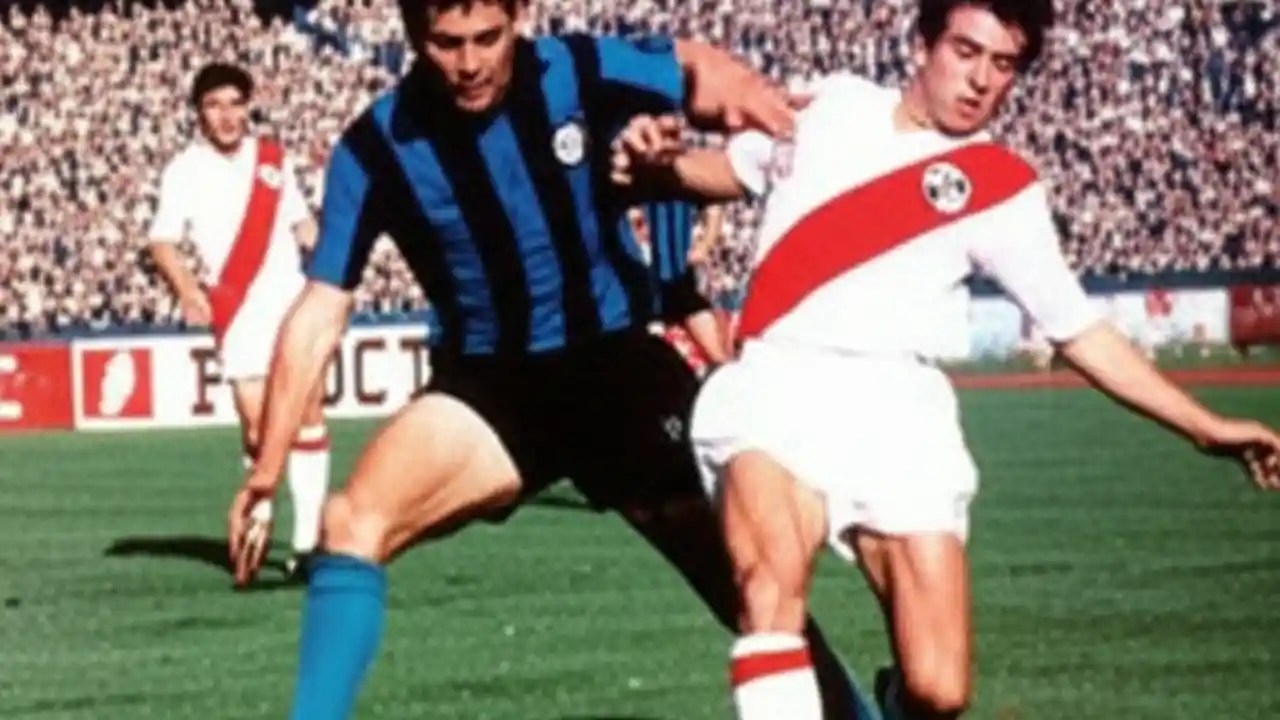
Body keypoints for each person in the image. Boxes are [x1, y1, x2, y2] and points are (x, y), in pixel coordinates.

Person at [608, 0, 1280, 718]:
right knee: (769, 591)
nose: (981, 79)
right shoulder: (831, 107)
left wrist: (1205, 427)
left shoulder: (1002, 187)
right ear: (922, 42)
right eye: (966, 52)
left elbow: (1079, 331)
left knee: (939, 689)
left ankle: (895, 701)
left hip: (899, 410)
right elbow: (714, 173)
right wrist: (653, 162)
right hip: (780, 384)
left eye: (1002, 65)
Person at [224, 1, 874, 717]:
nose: (469, 63)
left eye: (486, 38)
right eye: (446, 43)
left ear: (518, 17)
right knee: (349, 524)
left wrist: (757, 100)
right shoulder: (375, 146)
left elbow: (693, 67)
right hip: (492, 392)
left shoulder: (576, 68)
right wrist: (265, 470)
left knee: (749, 588)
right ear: (414, 37)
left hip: (618, 370)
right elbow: (320, 311)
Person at [149, 62, 330, 581]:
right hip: (238, 309)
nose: (226, 116)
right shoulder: (183, 170)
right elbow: (162, 240)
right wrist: (187, 289)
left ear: (250, 106)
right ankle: (262, 508)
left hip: (291, 299)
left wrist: (337, 262)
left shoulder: (272, 159)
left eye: (234, 103)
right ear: (198, 114)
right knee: (257, 427)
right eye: (213, 106)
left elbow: (302, 226)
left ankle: (307, 544)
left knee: (308, 412)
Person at [626, 201, 733, 373]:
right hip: (636, 285)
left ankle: (725, 371)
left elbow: (713, 206)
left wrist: (706, 242)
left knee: (687, 302)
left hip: (674, 272)